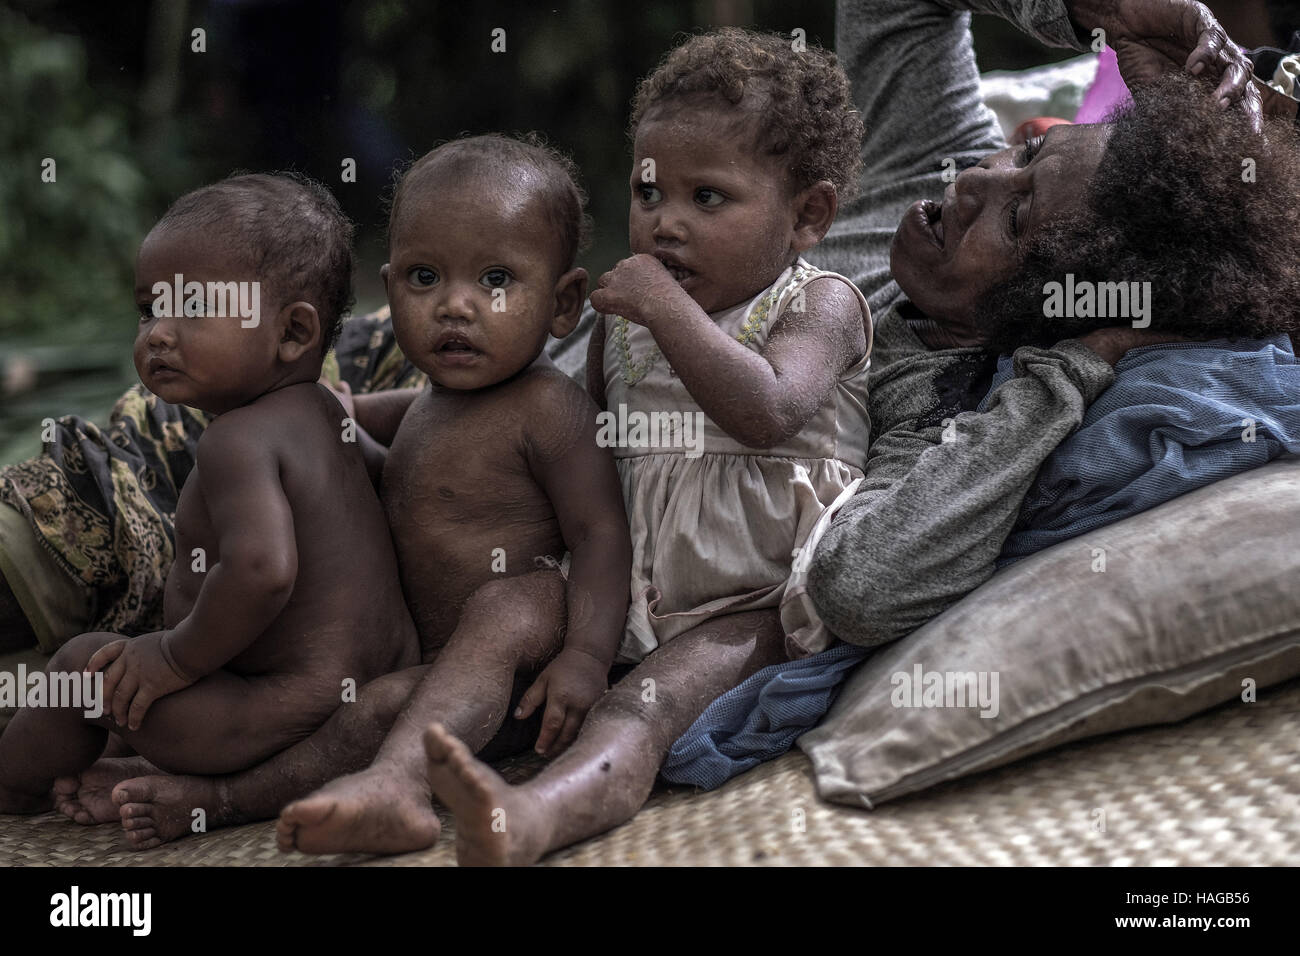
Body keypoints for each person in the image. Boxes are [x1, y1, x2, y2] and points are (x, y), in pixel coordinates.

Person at [402, 27, 872, 865]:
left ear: (808, 216)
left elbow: (768, 408)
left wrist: (665, 309)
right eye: (650, 193)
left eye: (708, 198)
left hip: (756, 605)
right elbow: (546, 419)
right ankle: (391, 773)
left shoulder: (819, 306)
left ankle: (533, 819)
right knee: (503, 613)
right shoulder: (620, 327)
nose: (666, 224)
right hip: (624, 595)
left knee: (640, 710)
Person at [802, 0, 1300, 650]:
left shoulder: (934, 401)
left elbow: (858, 588)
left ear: (1050, 309)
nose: (978, 180)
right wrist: (1105, 13)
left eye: (1015, 221)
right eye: (1028, 150)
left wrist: (1076, 366)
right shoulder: (934, 154)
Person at [0, 173, 420, 812]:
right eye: (149, 310)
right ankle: (128, 768)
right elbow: (397, 476)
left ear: (293, 333)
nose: (158, 334)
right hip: (369, 697)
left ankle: (11, 787)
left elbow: (262, 570)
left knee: (84, 668)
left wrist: (174, 657)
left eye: (191, 309)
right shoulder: (328, 412)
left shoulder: (236, 442)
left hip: (267, 715)